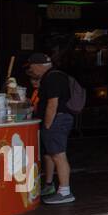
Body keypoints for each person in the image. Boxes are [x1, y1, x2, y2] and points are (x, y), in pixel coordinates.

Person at [28, 52, 76, 205]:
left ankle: (65, 192)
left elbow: (52, 103)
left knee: (58, 155)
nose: (31, 70)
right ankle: (62, 189)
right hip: (59, 119)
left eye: (31, 67)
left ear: (38, 66)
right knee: (56, 154)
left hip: (57, 120)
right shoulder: (55, 76)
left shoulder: (52, 78)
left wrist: (47, 125)